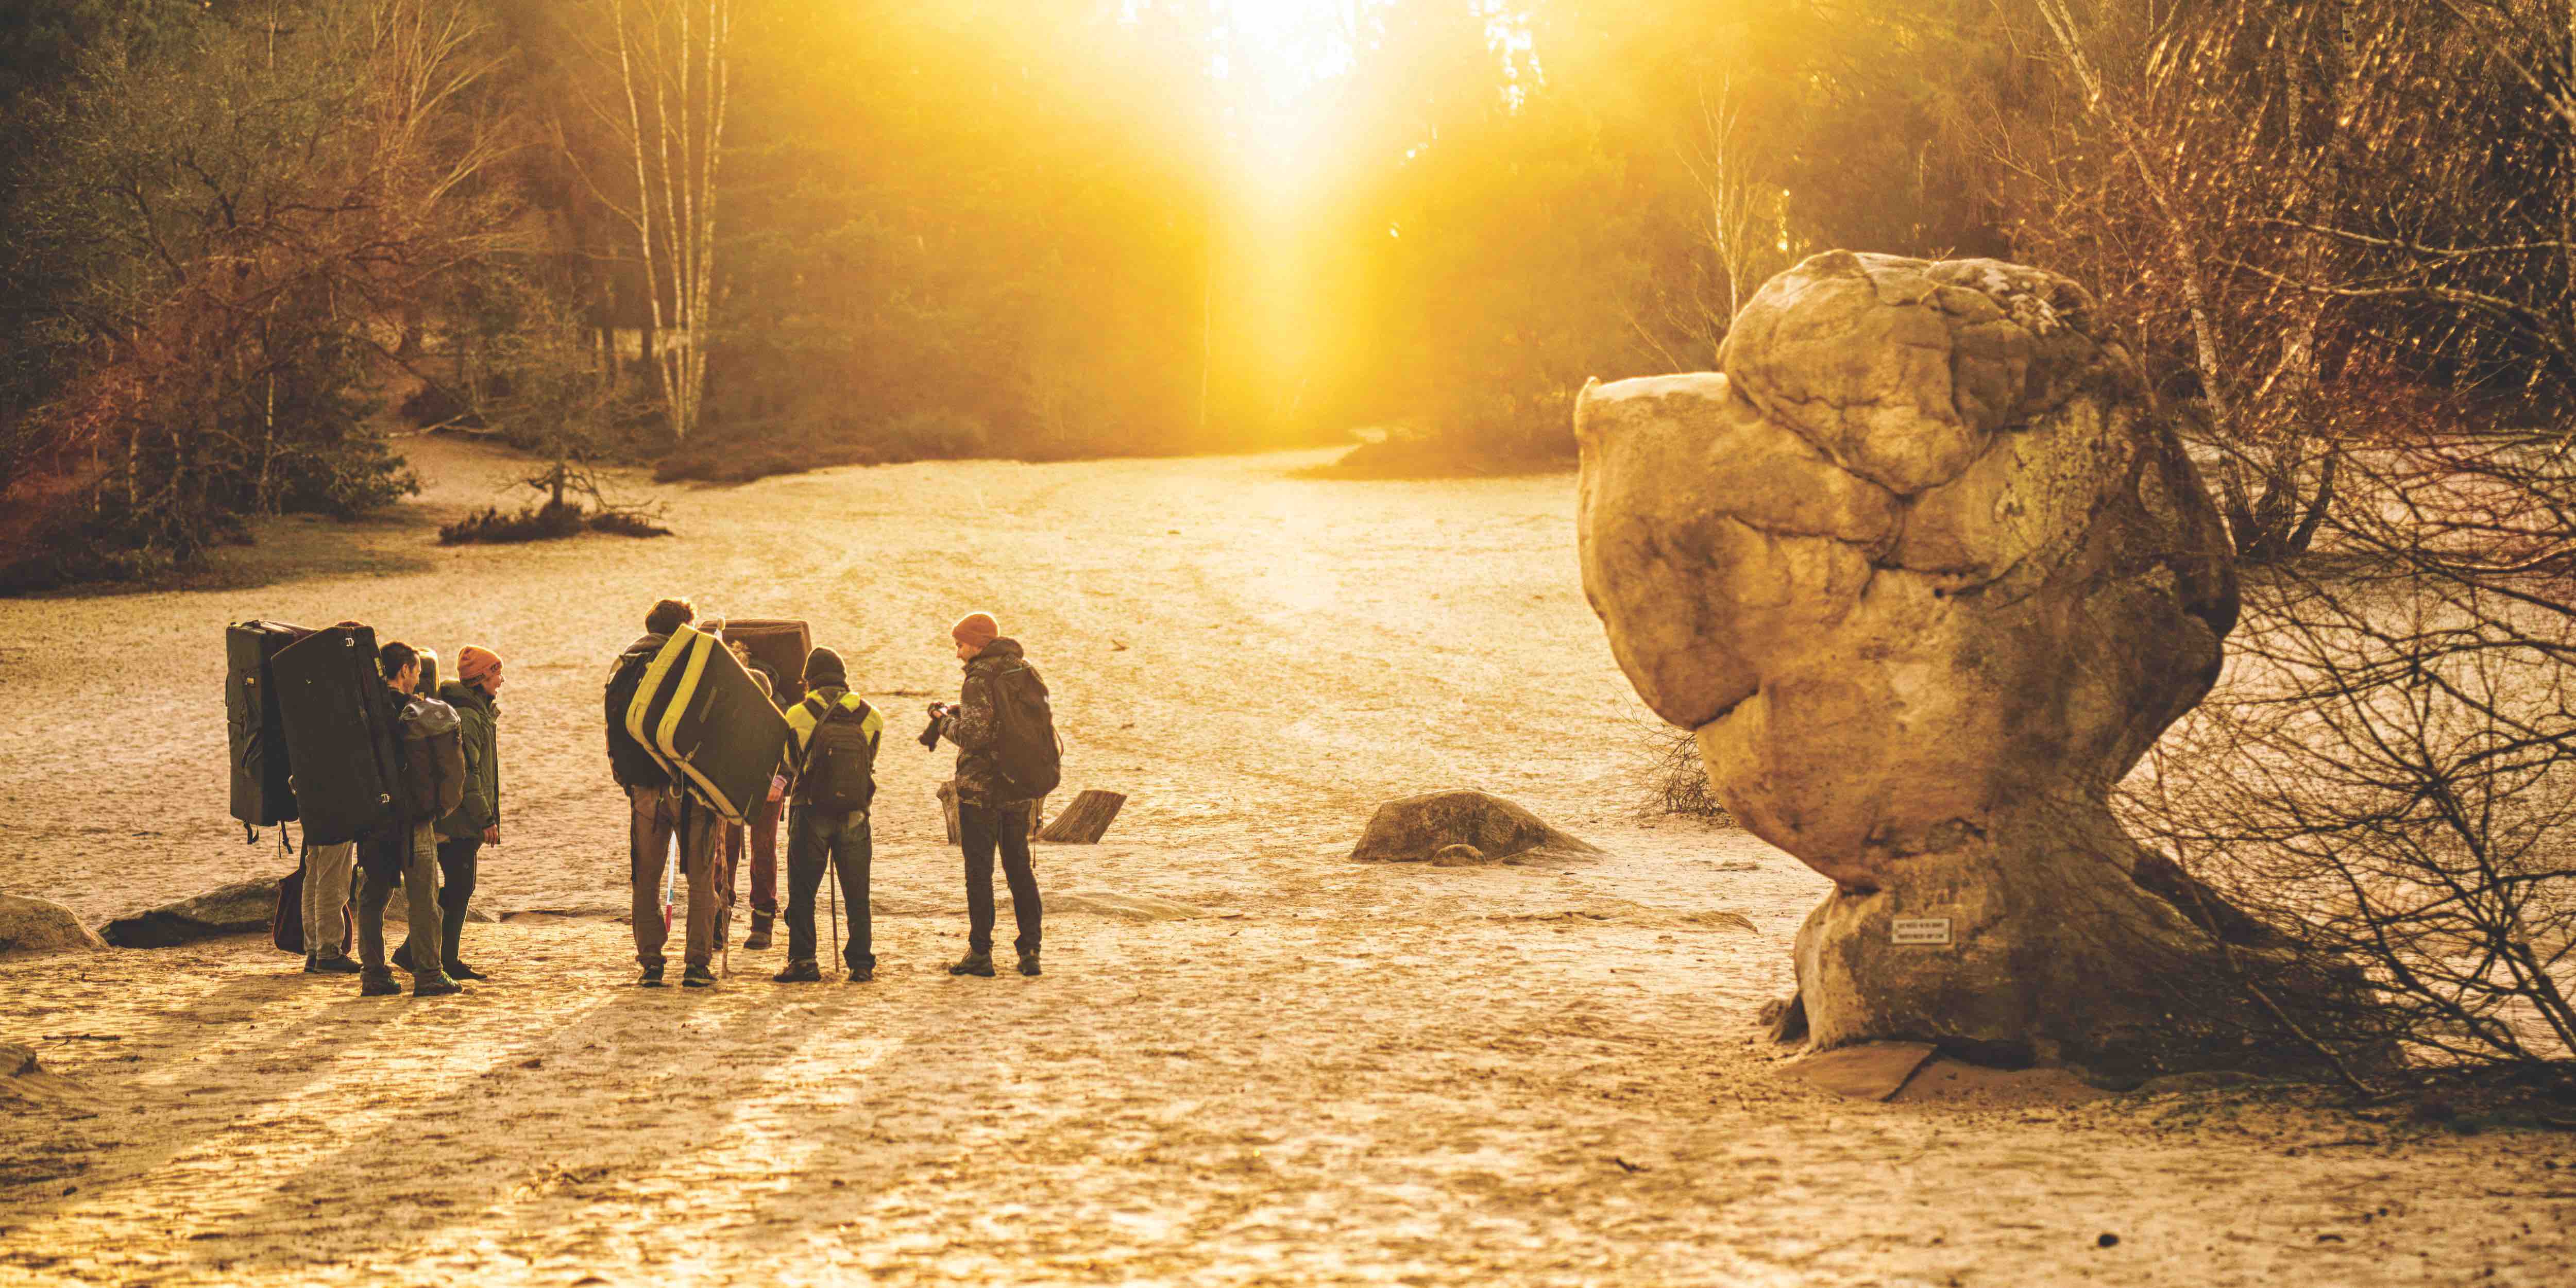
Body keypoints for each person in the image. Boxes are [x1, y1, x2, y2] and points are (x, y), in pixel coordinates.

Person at [606, 598, 724, 989]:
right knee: (702, 881)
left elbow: (612, 732)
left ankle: (651, 963)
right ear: (683, 628)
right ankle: (697, 965)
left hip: (644, 791)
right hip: (694, 791)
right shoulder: (693, 662)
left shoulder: (624, 664)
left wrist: (628, 782)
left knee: (647, 879)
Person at [933, 612, 1044, 978]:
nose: (958, 653)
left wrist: (944, 722)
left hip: (981, 790)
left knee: (979, 872)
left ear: (979, 644)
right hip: (1019, 788)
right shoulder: (1023, 672)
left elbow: (975, 736)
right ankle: (1030, 951)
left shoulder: (979, 679)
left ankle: (981, 953)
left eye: (961, 645)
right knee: (1019, 871)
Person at [357, 641, 461, 998]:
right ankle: (430, 973)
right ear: (404, 671)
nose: (418, 680)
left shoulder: (362, 713)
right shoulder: (413, 712)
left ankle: (373, 974)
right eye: (416, 672)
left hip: (372, 818)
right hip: (412, 820)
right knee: (424, 898)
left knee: (372, 897)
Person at [774, 647, 885, 983]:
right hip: (855, 813)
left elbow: (792, 765)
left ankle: (804, 961)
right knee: (857, 893)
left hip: (810, 811)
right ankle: (861, 964)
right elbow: (870, 761)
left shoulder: (796, 714)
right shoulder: (871, 715)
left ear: (809, 680)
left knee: (804, 891)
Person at [432, 645, 504, 981]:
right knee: (461, 888)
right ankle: (442, 959)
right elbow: (469, 775)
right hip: (460, 820)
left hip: (456, 817)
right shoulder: (472, 717)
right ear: (480, 679)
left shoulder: (472, 711)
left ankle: (434, 954)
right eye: (495, 674)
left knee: (458, 887)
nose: (501, 681)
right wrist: (485, 819)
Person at [718, 634, 785, 951]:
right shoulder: (724, 697)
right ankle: (721, 917)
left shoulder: (773, 698)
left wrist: (781, 780)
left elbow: (790, 744)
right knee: (724, 849)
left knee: (763, 848)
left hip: (768, 784)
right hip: (730, 782)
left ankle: (763, 920)